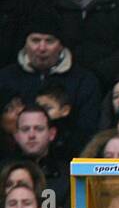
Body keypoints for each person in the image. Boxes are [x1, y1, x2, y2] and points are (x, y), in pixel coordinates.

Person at [0, 18, 102, 152]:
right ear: (25, 43)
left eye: (49, 41)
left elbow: (87, 131)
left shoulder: (83, 81)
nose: (41, 48)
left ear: (61, 45)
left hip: (67, 159)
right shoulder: (5, 77)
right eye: (35, 40)